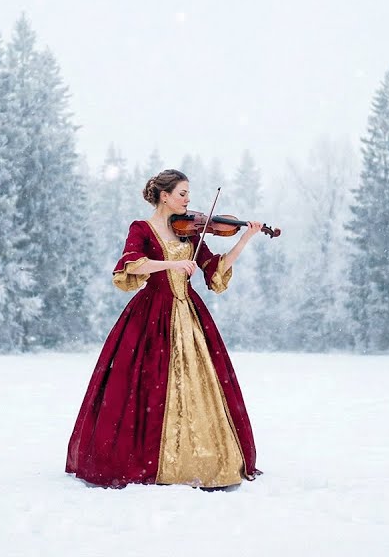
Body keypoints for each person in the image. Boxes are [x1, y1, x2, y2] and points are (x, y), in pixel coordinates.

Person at [65, 169, 264, 489]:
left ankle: (199, 459)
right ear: (164, 196)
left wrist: (244, 238)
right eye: (182, 193)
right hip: (151, 313)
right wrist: (172, 264)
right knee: (143, 385)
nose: (188, 199)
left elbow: (214, 270)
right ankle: (148, 458)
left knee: (200, 385)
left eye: (188, 194)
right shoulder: (142, 228)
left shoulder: (189, 231)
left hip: (189, 312)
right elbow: (133, 265)